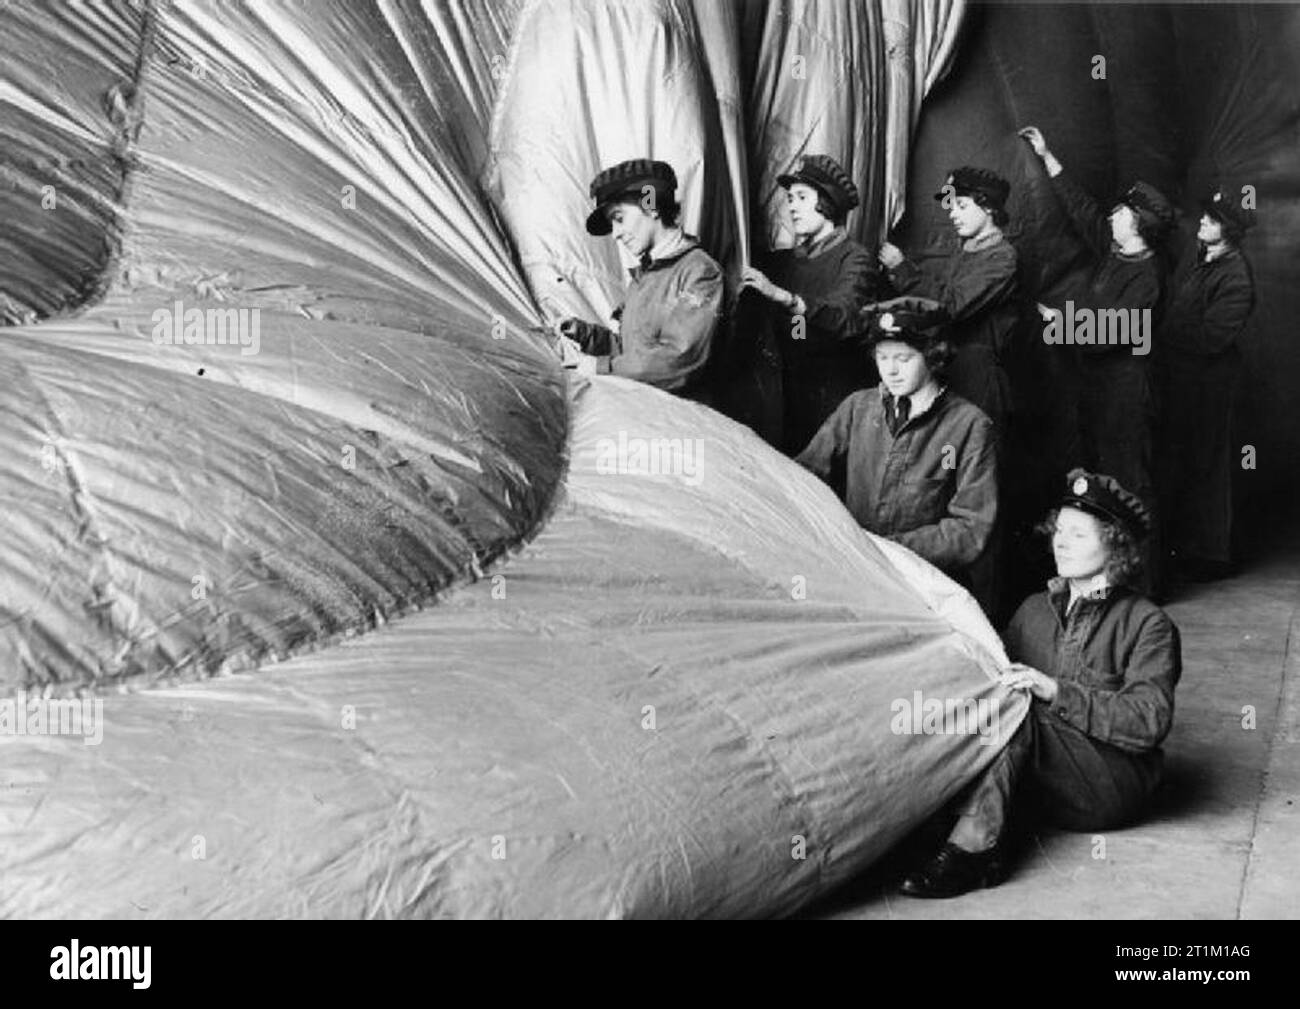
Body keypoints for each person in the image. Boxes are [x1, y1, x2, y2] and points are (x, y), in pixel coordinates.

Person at [899, 469, 1181, 898]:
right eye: (1059, 531)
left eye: (1079, 535)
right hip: (1042, 776)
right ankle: (937, 826)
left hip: (1108, 781)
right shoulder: (1033, 608)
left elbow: (1147, 721)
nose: (1061, 543)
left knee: (1018, 713)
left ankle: (973, 850)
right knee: (965, 704)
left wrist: (1055, 691)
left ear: (1115, 544)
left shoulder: (1148, 624)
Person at [1018, 126, 1175, 593]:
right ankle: (1110, 578)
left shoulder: (1149, 276)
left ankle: (1143, 588)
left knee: (1129, 483)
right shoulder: (1114, 252)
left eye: (1121, 213)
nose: (1111, 216)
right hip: (1099, 389)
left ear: (1138, 225)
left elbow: (1118, 332)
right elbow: (1083, 210)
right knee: (1101, 482)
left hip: (1128, 394)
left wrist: (1058, 322)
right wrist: (1049, 158)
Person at [795, 297, 997, 583]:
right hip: (853, 570)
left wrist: (888, 549)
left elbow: (971, 528)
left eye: (903, 359)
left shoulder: (970, 425)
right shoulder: (858, 407)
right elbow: (805, 475)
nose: (890, 371)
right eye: (882, 357)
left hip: (923, 582)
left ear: (933, 355)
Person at [740, 154, 885, 453]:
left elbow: (846, 315)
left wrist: (788, 299)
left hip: (830, 402)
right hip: (783, 401)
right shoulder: (781, 262)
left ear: (827, 203)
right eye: (790, 198)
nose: (791, 206)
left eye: (801, 197)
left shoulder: (855, 258)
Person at [556, 159, 723, 402]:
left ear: (651, 205)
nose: (615, 234)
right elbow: (632, 350)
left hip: (680, 422)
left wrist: (599, 367)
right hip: (642, 410)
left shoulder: (700, 273)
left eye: (619, 218)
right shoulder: (643, 276)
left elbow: (677, 360)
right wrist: (583, 334)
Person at [1157, 186, 1256, 583]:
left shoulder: (1236, 277)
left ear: (1228, 231)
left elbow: (1211, 338)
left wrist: (1161, 335)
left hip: (1209, 387)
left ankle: (1212, 555)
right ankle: (1190, 549)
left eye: (1211, 220)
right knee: (1185, 462)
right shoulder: (1202, 259)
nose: (1202, 222)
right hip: (1184, 380)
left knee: (1208, 466)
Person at [876, 166, 1019, 432]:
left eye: (961, 205)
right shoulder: (966, 251)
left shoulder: (1002, 258)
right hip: (948, 370)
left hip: (978, 380)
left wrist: (902, 269)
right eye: (951, 206)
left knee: (974, 460)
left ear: (988, 208)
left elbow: (952, 305)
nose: (952, 213)